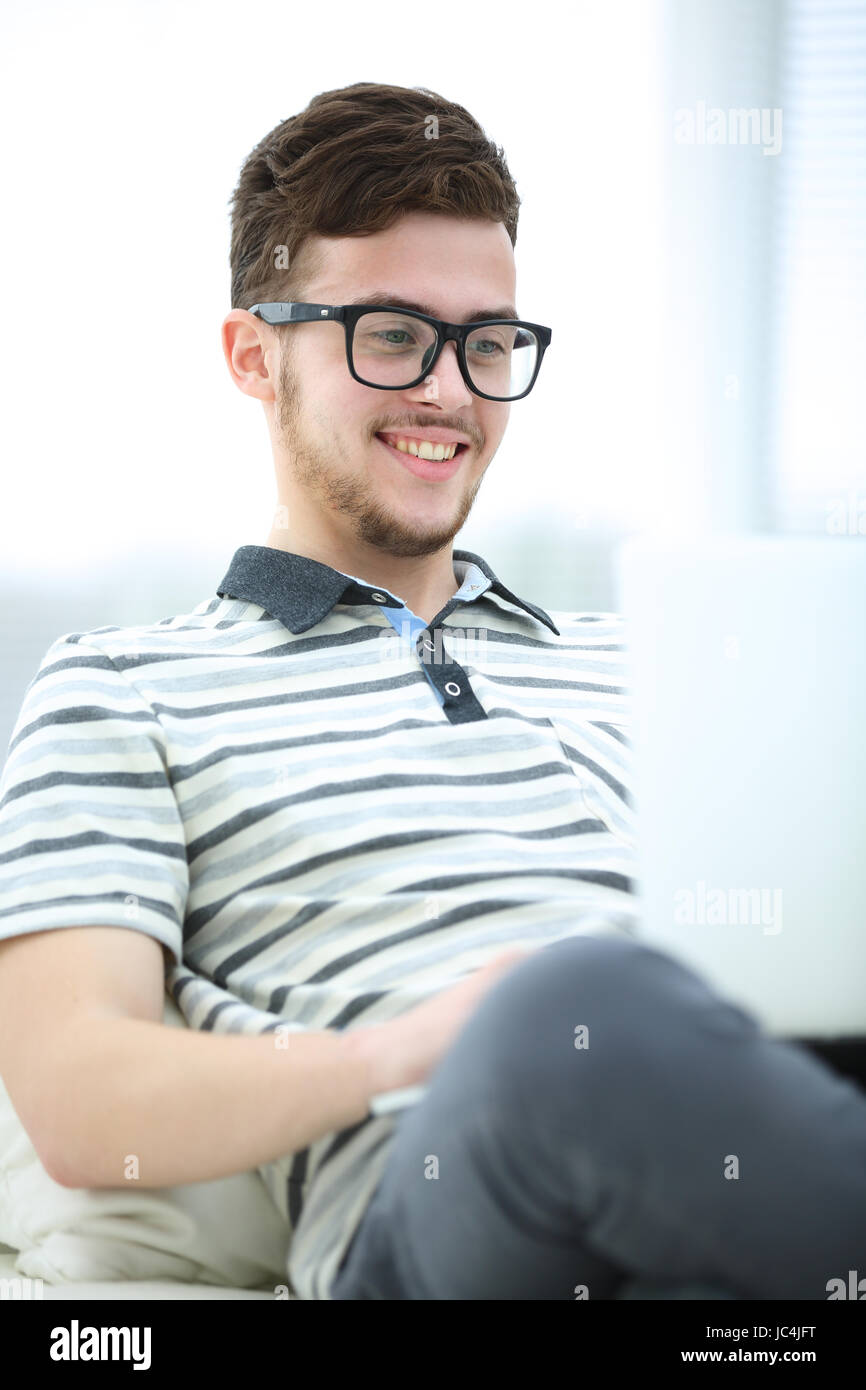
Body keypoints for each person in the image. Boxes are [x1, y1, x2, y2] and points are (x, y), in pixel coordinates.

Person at [0, 82, 863, 1302]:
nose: (451, 393)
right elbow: (80, 1099)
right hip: (437, 1222)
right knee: (572, 1011)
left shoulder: (653, 657)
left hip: (713, 1179)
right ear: (253, 353)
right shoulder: (122, 691)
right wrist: (421, 1047)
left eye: (489, 341)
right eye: (393, 334)